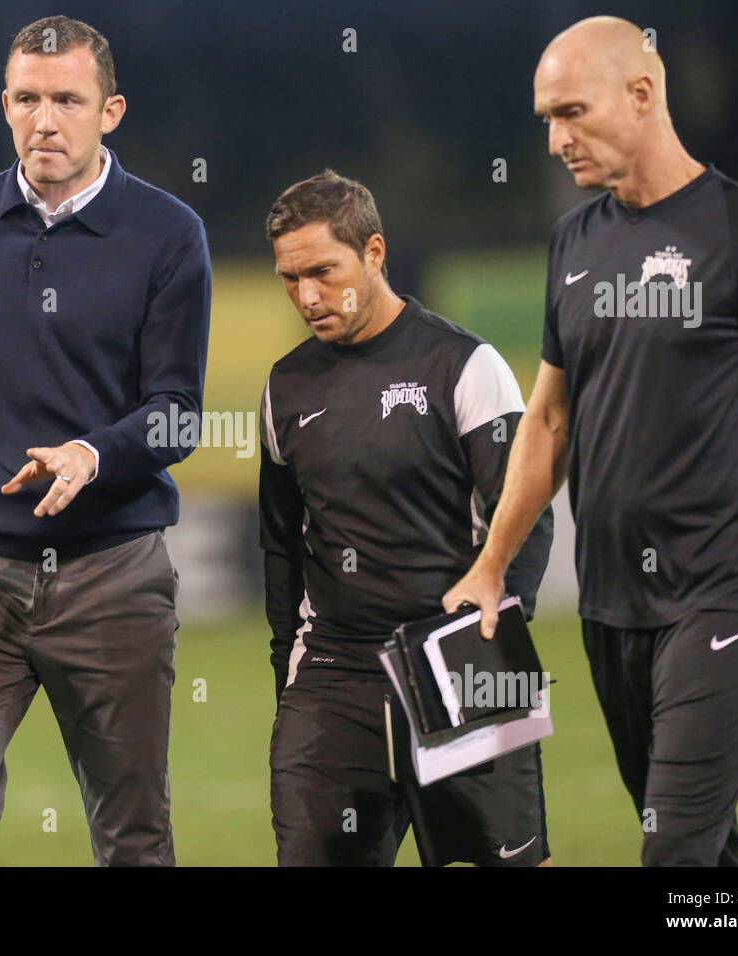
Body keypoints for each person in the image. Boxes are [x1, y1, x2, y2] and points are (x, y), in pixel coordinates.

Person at [444, 16, 738, 866]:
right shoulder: (574, 243)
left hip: (727, 588)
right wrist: (489, 565)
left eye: (571, 112)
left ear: (642, 93)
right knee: (702, 849)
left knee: (672, 854)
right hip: (612, 601)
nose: (556, 140)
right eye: (546, 120)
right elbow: (549, 421)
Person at [0, 15, 210, 866]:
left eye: (68, 99)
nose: (45, 119)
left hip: (112, 576)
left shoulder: (168, 233)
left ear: (111, 111)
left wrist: (92, 452)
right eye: (27, 99)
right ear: (5, 105)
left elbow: (180, 412)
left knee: (133, 842)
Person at [259, 170, 554, 866]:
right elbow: (280, 545)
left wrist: (490, 642)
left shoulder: (465, 365)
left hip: (461, 662)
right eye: (289, 278)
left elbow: (526, 515)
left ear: (375, 253)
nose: (306, 296)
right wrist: (289, 679)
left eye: (324, 272)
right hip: (335, 675)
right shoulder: (286, 385)